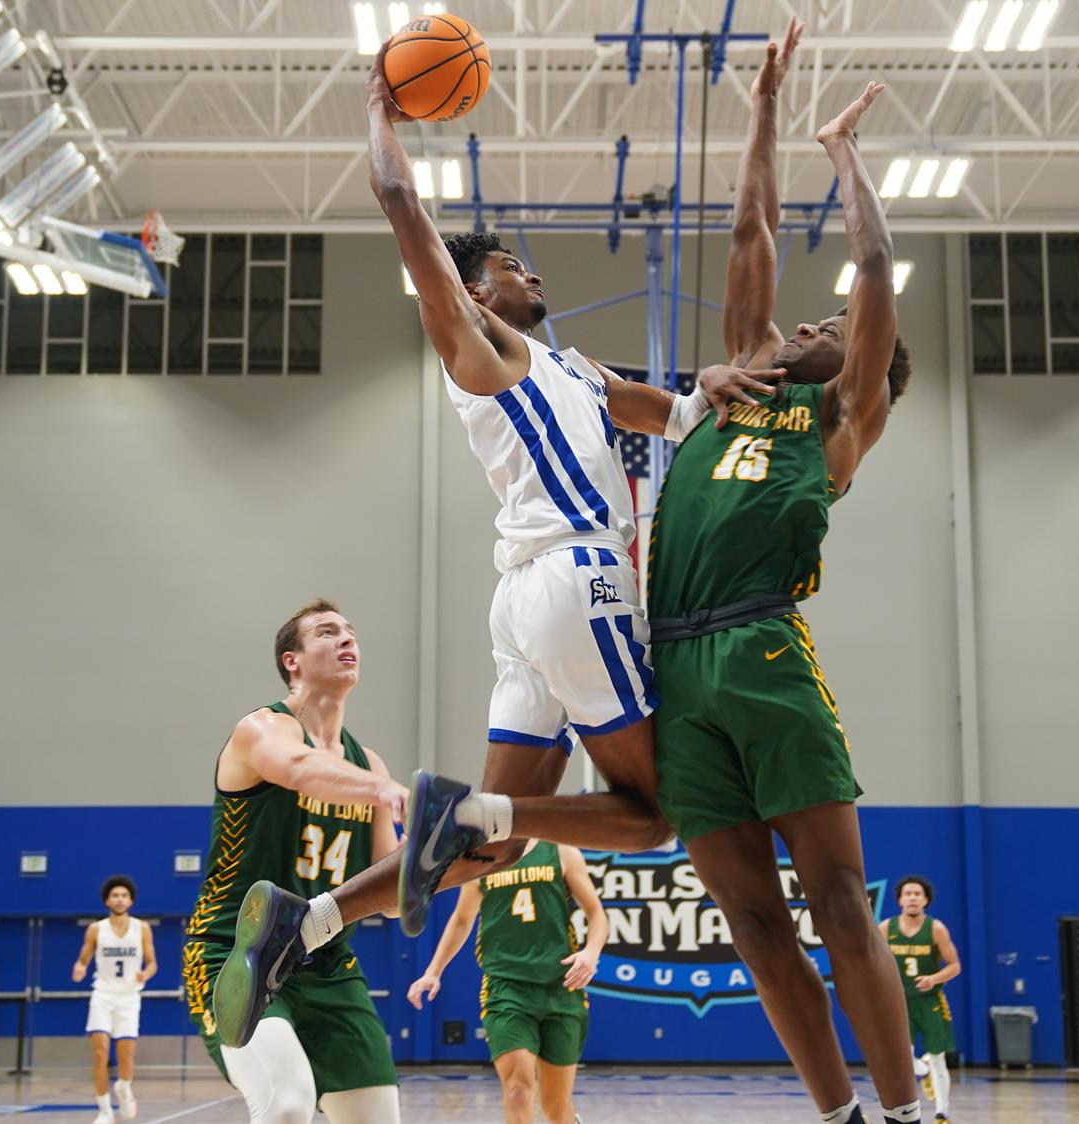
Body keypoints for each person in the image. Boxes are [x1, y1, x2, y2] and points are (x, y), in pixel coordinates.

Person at [208, 49, 782, 1051]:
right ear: (475, 294)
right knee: (650, 816)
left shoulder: (571, 365)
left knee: (489, 834)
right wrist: (382, 113)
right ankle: (451, 805)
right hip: (573, 577)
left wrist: (715, 386)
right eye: (512, 266)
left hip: (526, 606)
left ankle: (308, 921)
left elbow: (677, 408)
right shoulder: (484, 351)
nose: (534, 272)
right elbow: (397, 200)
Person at [632, 21, 919, 1123]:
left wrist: (841, 153)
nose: (808, 320)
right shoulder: (735, 379)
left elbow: (877, 268)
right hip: (678, 668)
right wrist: (760, 99)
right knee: (752, 928)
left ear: (860, 362)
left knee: (840, 901)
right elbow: (747, 227)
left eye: (831, 324)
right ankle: (836, 1113)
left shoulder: (838, 413)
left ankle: (900, 1110)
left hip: (761, 649)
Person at [181, 599, 404, 1124]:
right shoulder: (260, 729)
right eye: (328, 633)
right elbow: (300, 768)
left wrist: (443, 855)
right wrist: (386, 791)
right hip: (234, 953)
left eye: (351, 632)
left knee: (377, 1116)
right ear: (292, 660)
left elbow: (390, 900)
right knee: (287, 1105)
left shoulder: (367, 762)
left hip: (326, 962)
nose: (348, 640)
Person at [406, 841, 607, 1124]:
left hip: (561, 988)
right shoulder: (482, 857)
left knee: (557, 1110)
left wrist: (591, 952)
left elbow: (597, 913)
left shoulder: (561, 851)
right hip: (506, 989)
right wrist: (433, 971)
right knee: (517, 1090)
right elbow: (462, 920)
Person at [73, 876, 155, 1124]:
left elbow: (152, 963)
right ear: (107, 900)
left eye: (124, 895)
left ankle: (124, 1086)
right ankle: (105, 1110)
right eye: (115, 895)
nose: (119, 899)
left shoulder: (142, 927)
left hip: (129, 996)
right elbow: (83, 959)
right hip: (103, 995)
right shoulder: (96, 929)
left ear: (131, 900)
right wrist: (79, 968)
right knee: (100, 1053)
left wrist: (145, 974)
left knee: (126, 1057)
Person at [880, 877, 959, 1122]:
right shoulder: (886, 928)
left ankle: (941, 1113)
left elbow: (955, 965)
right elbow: (874, 963)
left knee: (938, 1058)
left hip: (930, 1001)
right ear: (900, 899)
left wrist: (934, 978)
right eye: (908, 893)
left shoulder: (936, 929)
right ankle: (922, 1070)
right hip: (899, 1001)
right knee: (902, 1056)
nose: (913, 897)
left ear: (925, 900)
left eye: (917, 893)